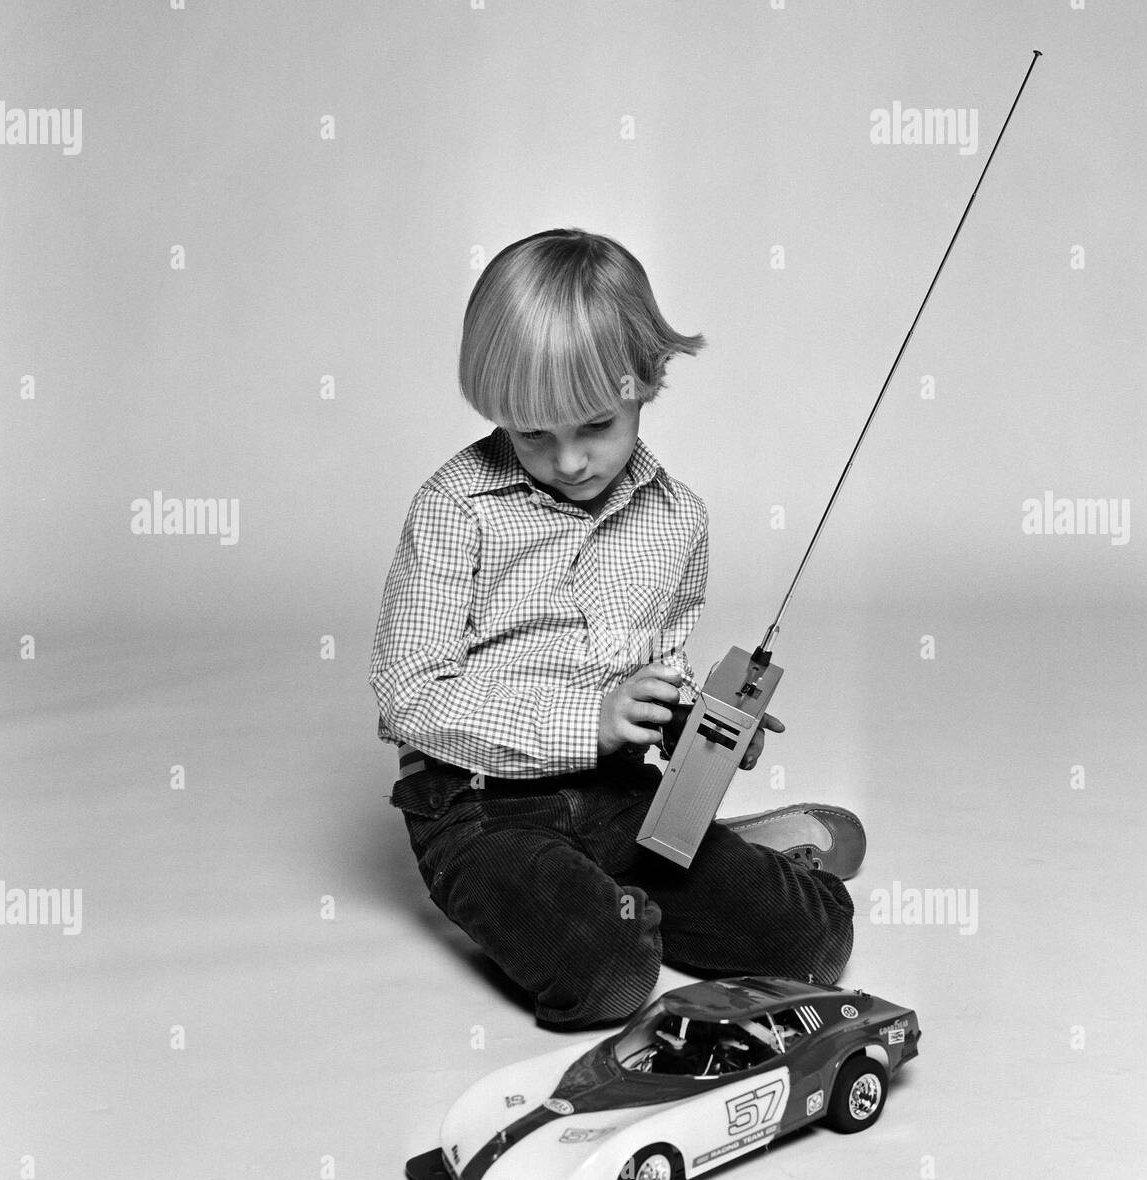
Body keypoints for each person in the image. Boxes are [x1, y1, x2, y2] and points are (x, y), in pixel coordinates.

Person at [369, 228, 863, 1029]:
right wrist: (584, 722)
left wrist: (698, 728)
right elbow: (409, 697)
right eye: (533, 433)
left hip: (621, 798)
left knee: (813, 942)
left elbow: (656, 674)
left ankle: (709, 864)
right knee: (609, 972)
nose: (568, 461)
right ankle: (616, 898)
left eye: (595, 424)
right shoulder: (454, 510)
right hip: (480, 813)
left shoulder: (678, 520)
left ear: (648, 381)